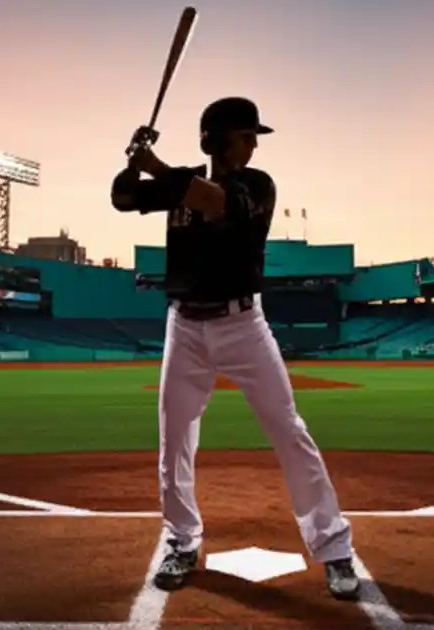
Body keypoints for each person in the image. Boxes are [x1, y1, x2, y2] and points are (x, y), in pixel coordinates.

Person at [110, 97, 360, 600]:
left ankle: (333, 548)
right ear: (216, 140)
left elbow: (214, 201)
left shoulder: (255, 185)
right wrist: (132, 158)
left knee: (290, 432)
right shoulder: (179, 181)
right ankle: (181, 541)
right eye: (245, 135)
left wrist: (154, 166)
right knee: (174, 440)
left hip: (243, 325)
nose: (252, 143)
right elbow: (121, 198)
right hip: (183, 328)